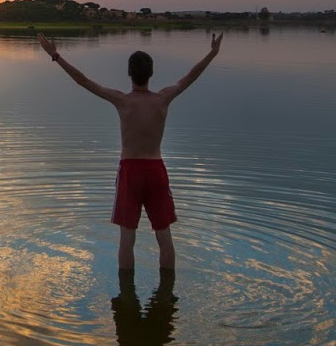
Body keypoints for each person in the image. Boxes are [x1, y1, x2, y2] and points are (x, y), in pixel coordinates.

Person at [37, 32, 222, 271]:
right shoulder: (163, 99)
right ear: (152, 73)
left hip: (130, 171)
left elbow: (83, 81)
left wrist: (55, 56)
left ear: (129, 73)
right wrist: (213, 53)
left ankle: (126, 298)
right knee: (164, 236)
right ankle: (167, 295)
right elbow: (191, 76)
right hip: (155, 170)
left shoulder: (122, 101)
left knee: (127, 240)